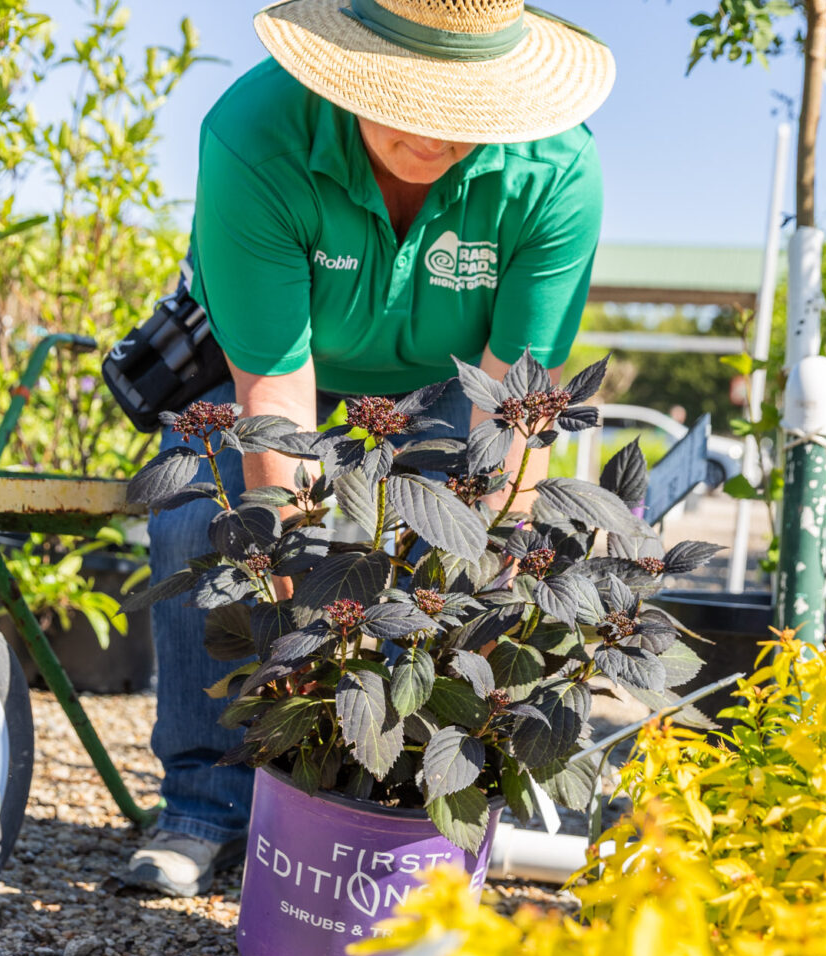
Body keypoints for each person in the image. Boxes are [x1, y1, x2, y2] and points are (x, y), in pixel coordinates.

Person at [126, 0, 615, 896]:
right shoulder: (254, 136)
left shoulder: (557, 172)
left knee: (452, 554)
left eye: (460, 108)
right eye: (408, 99)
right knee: (204, 519)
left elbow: (515, 409)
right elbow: (273, 388)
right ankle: (205, 802)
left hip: (445, 396)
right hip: (277, 370)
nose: (433, 135)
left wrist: (486, 587)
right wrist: (295, 582)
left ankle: (392, 805)